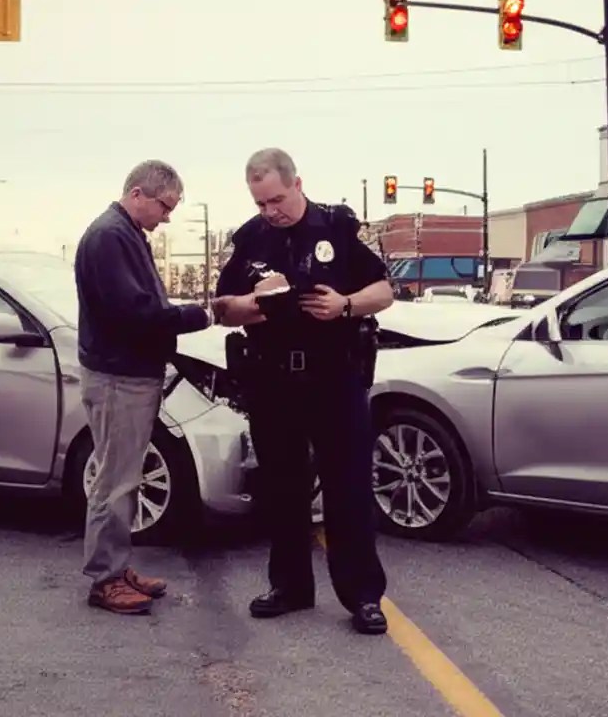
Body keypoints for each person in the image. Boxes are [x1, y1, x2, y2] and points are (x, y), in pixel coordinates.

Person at [212, 148, 395, 635]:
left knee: (348, 490)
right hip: (274, 381)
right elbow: (223, 307)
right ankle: (290, 587)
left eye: (275, 199)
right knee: (283, 490)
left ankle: (363, 597)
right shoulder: (251, 240)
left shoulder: (336, 228)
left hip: (336, 378)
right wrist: (255, 301)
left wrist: (346, 304)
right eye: (260, 203)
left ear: (297, 184)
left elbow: (385, 290)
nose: (270, 211)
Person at [74, 159, 213, 615]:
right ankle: (105, 579)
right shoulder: (109, 238)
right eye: (165, 206)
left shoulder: (125, 234)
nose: (167, 216)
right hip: (119, 378)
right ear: (138, 194)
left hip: (128, 375)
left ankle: (116, 567)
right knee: (114, 481)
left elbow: (143, 306)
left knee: (125, 477)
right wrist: (202, 315)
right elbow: (136, 314)